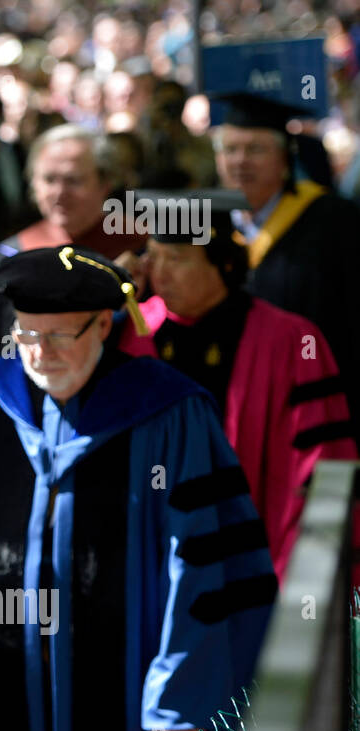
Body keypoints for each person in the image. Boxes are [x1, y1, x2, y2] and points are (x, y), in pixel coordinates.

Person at [0, 246, 277, 731]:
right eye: (27, 334)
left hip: (130, 707)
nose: (40, 353)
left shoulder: (169, 414)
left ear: (104, 324)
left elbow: (205, 560)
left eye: (59, 336)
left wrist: (182, 700)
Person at [115, 189, 356, 579]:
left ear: (224, 263)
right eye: (152, 257)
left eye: (176, 258)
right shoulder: (132, 333)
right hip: (153, 560)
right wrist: (109, 297)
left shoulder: (291, 341)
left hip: (256, 560)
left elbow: (322, 466)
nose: (159, 274)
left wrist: (304, 577)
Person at [212, 93, 360, 433]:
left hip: (312, 403)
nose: (240, 161)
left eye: (255, 149)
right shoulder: (205, 223)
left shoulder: (334, 220)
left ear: (284, 157)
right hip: (229, 407)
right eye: (230, 149)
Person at [0, 124, 146, 363]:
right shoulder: (12, 255)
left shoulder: (138, 247)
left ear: (105, 184)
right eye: (49, 179)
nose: (60, 192)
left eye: (74, 180)